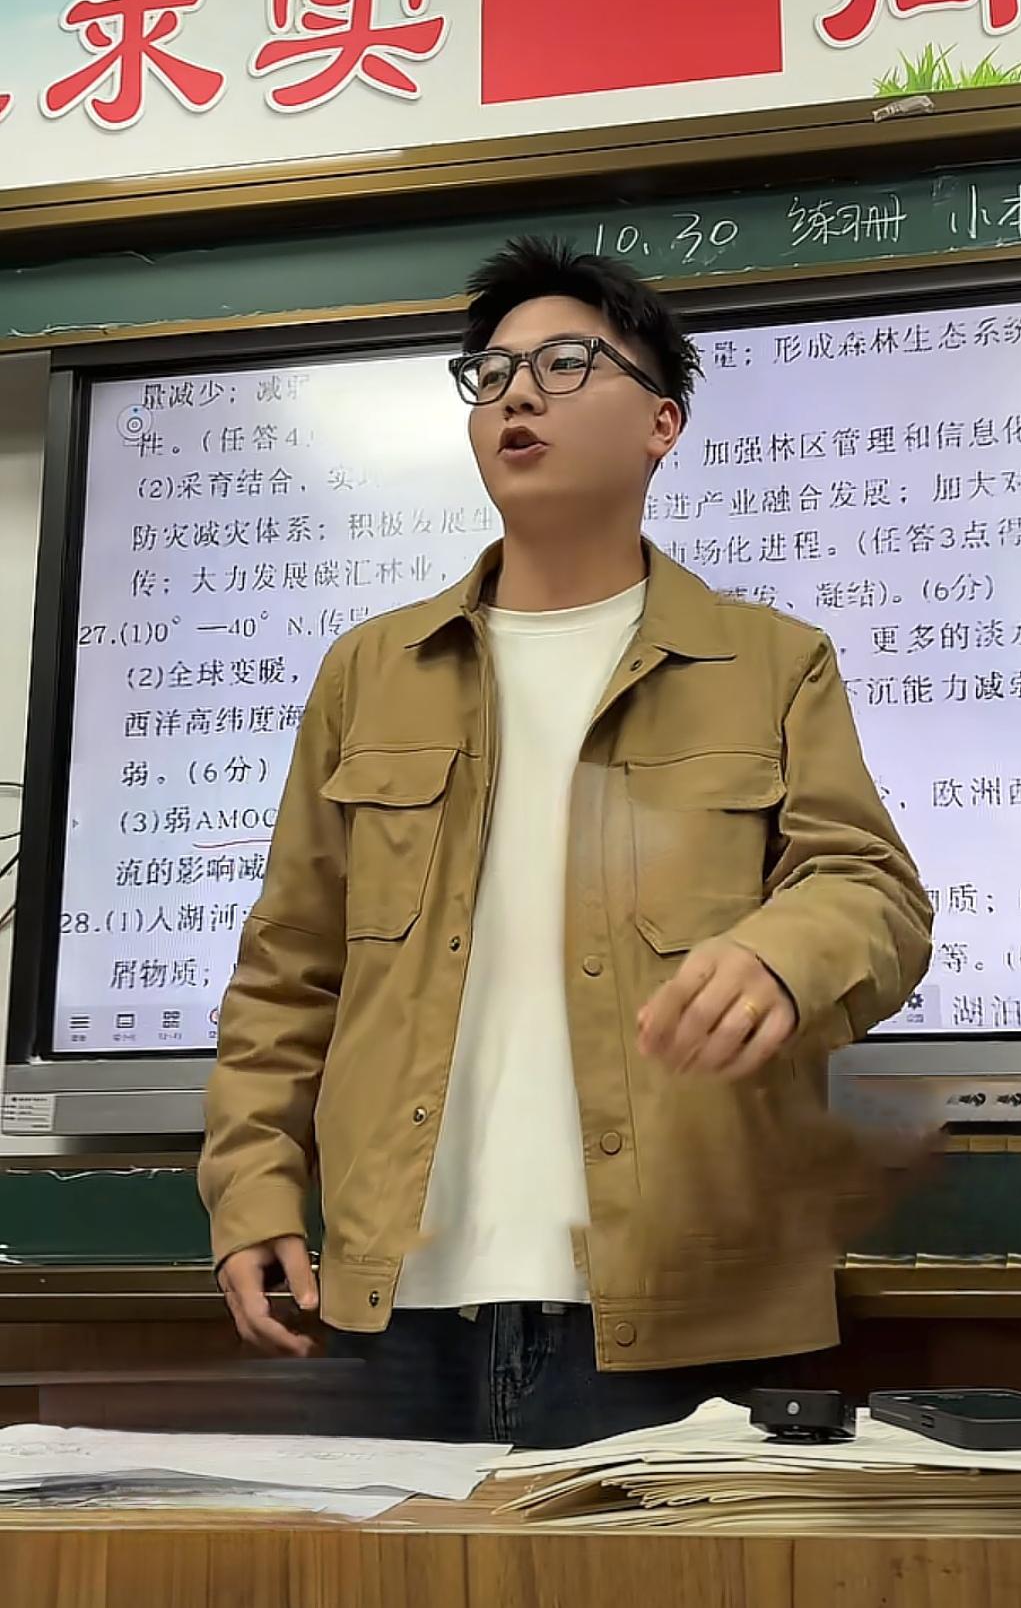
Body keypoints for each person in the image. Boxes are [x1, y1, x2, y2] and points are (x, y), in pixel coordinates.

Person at [199, 238, 932, 1447]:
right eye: (489, 374)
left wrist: (778, 954)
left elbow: (872, 891)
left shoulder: (769, 662)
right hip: (391, 1311)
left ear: (660, 423)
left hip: (686, 1308)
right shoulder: (371, 671)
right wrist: (252, 1186)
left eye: (562, 364)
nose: (515, 395)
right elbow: (288, 971)